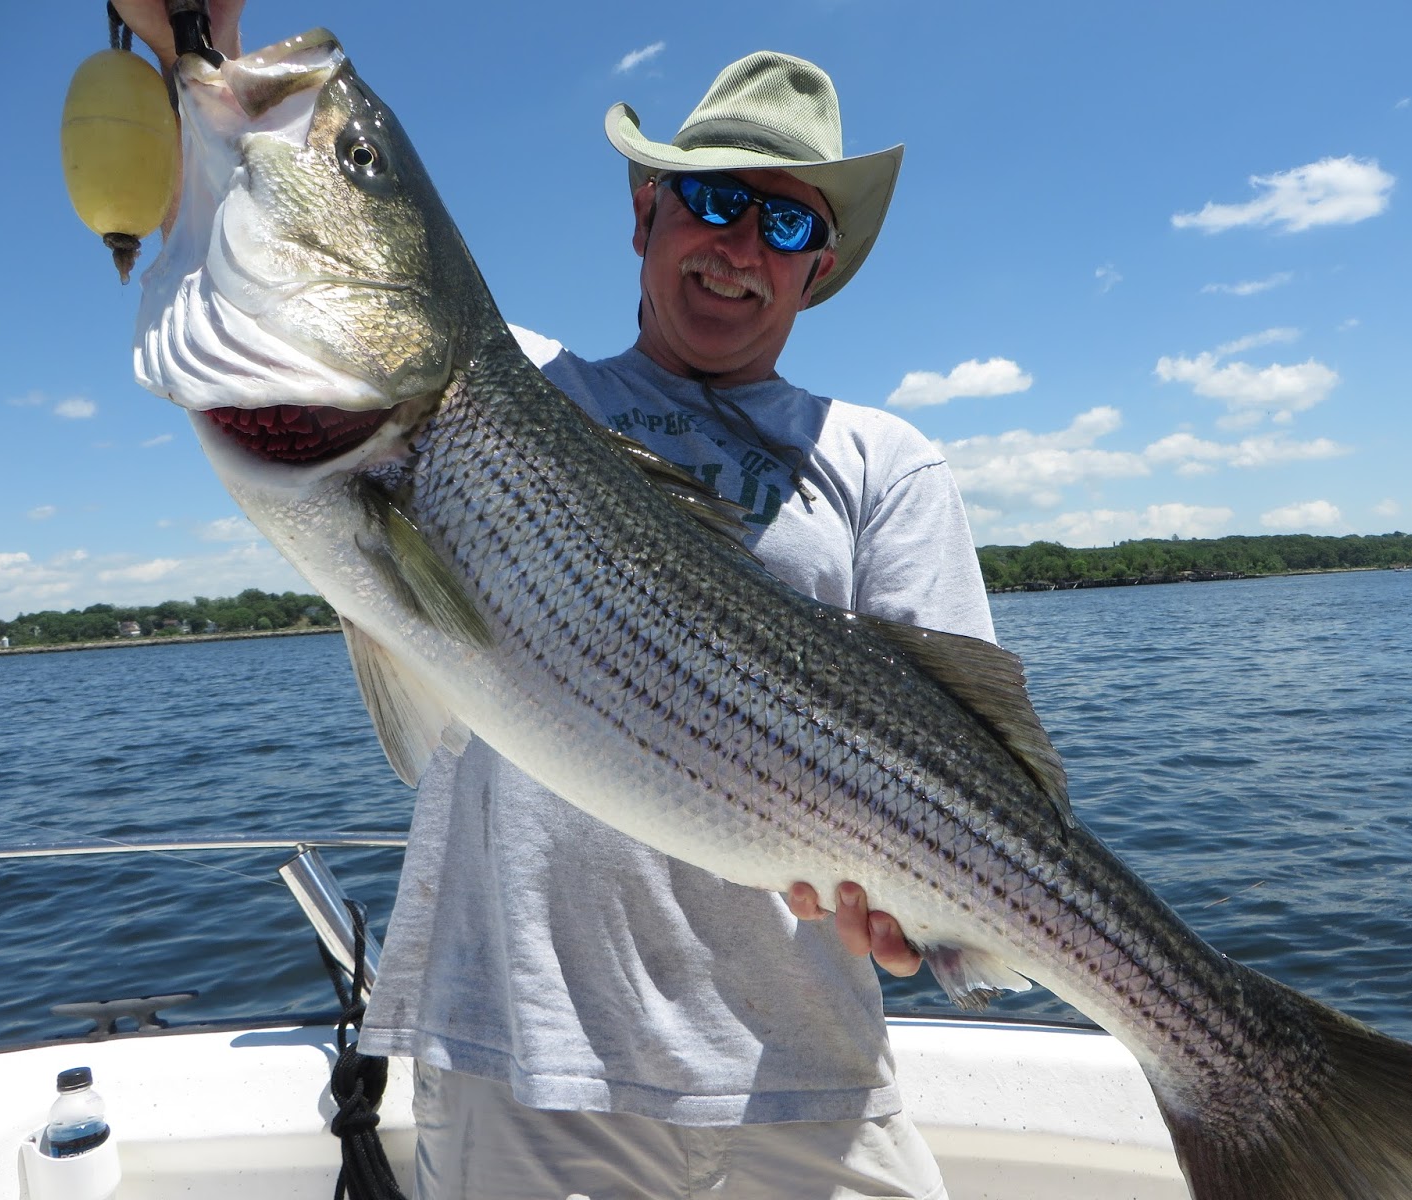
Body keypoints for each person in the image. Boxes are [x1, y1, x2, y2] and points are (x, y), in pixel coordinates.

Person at [117, 6, 995, 1197]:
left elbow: (973, 757)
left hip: (812, 1077)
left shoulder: (886, 461)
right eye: (715, 200)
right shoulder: (514, 382)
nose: (743, 245)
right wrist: (189, 46)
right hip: (525, 1071)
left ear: (816, 267)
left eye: (787, 221)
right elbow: (229, 231)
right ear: (645, 210)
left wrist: (937, 907)